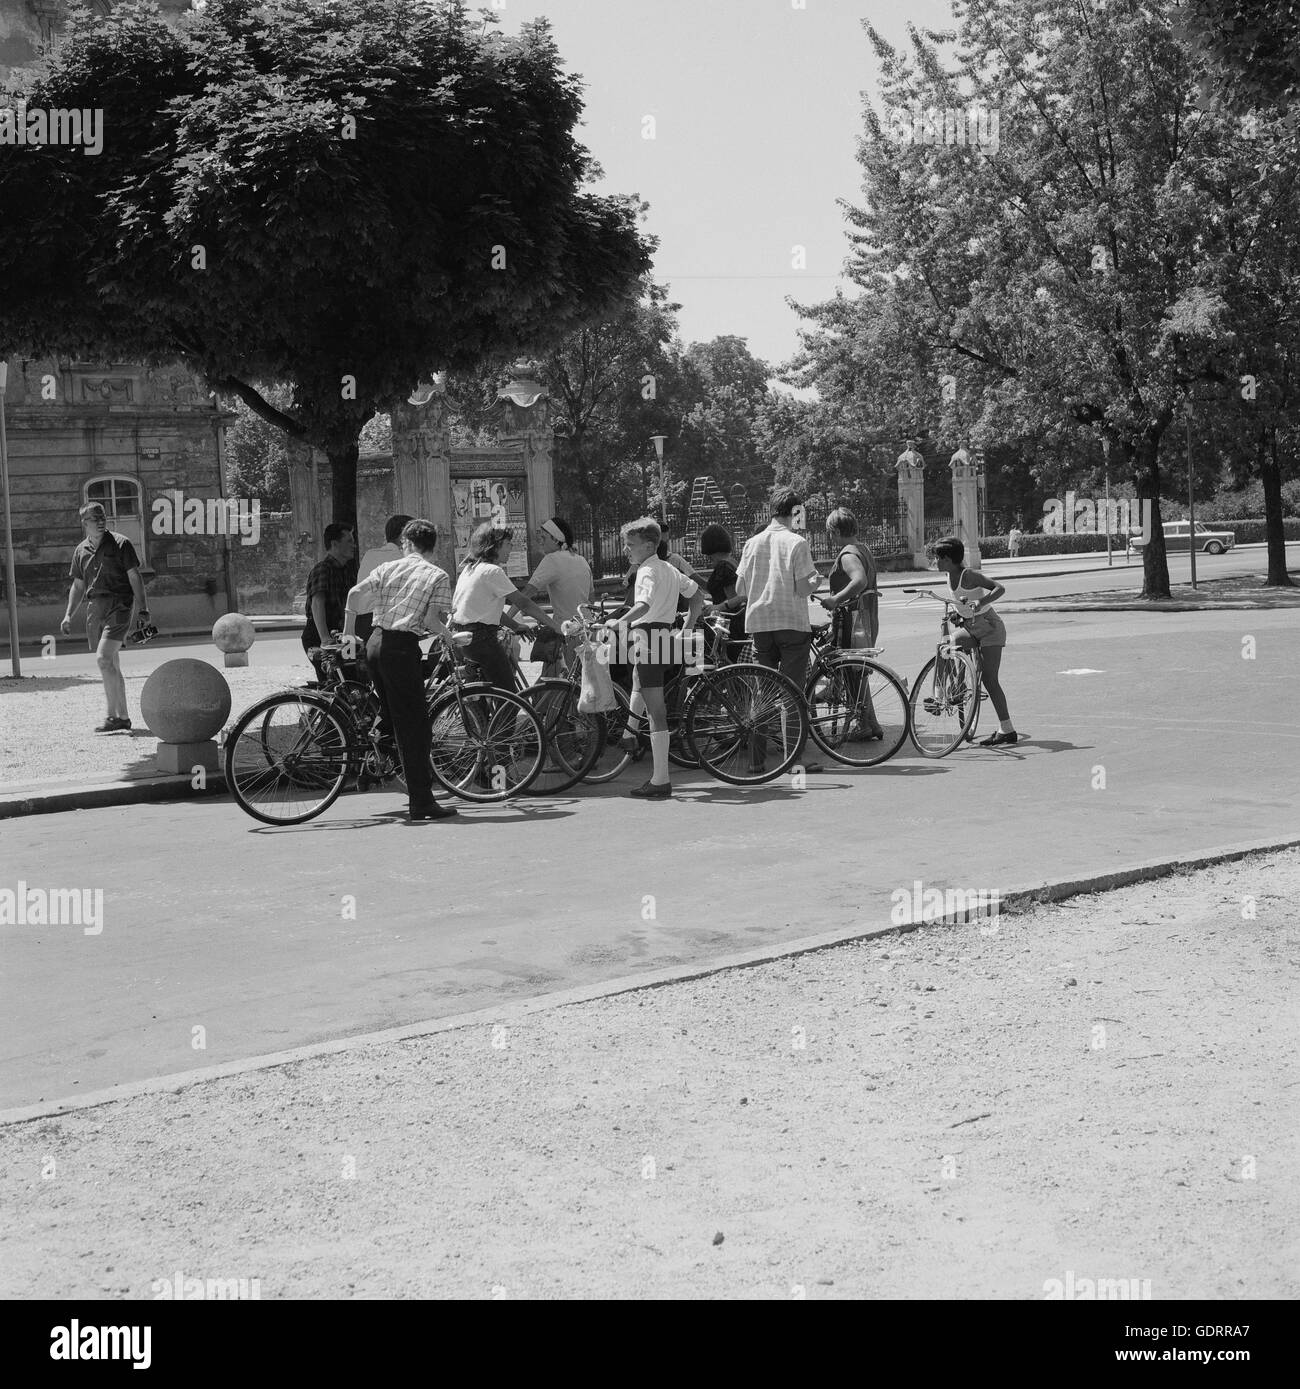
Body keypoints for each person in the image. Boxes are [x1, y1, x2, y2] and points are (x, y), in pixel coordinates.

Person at [341, 519, 459, 821]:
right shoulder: (436, 575)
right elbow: (432, 622)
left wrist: (348, 632)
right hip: (401, 648)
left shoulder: (387, 568)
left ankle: (373, 758)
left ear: (406, 544)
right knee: (414, 729)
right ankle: (421, 803)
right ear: (434, 545)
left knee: (393, 714)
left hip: (375, 644)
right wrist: (450, 637)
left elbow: (355, 594)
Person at [604, 516, 704, 799]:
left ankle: (660, 779)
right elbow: (698, 598)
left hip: (647, 637)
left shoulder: (646, 571)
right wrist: (688, 627)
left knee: (656, 712)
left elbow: (643, 604)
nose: (626, 549)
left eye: (630, 544)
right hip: (665, 637)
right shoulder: (670, 569)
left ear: (648, 545)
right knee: (638, 680)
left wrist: (618, 622)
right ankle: (629, 734)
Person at [735, 489, 823, 770]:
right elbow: (802, 586)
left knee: (763, 692)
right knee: (792, 693)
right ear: (795, 511)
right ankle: (793, 759)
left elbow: (740, 589)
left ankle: (756, 762)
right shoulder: (797, 543)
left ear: (770, 509)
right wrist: (815, 581)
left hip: (760, 624)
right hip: (791, 624)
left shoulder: (752, 543)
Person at [60, 502, 150, 732]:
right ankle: (123, 717)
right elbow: (78, 585)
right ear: (84, 523)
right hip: (95, 610)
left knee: (103, 658)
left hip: (119, 606)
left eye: (102, 517)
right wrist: (68, 615)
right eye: (94, 518)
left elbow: (134, 577)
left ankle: (111, 717)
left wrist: (143, 608)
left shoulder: (121, 544)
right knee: (112, 663)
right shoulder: (80, 550)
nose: (100, 522)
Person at [929, 535, 1018, 746]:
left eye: (938, 558)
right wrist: (957, 614)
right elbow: (961, 603)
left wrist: (981, 601)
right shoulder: (949, 575)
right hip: (971, 628)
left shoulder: (967, 575)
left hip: (990, 628)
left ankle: (1007, 729)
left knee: (989, 679)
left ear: (949, 559)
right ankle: (941, 696)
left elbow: (999, 588)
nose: (936, 562)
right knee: (945, 646)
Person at [451, 524, 564, 690]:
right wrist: (556, 627)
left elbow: (485, 610)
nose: (511, 548)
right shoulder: (492, 571)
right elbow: (524, 603)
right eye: (508, 544)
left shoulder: (470, 569)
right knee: (508, 695)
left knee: (485, 692)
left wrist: (516, 626)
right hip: (483, 639)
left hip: (465, 638)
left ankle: (481, 715)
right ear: (494, 546)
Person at [814, 507, 885, 740]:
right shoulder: (862, 548)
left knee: (850, 672)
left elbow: (859, 580)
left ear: (835, 531)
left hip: (852, 622)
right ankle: (871, 723)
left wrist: (835, 599)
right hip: (866, 618)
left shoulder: (847, 555)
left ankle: (862, 725)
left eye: (829, 532)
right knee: (858, 672)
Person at [521, 517, 594, 676]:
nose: (540, 541)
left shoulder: (551, 559)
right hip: (588, 633)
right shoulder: (582, 560)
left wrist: (507, 618)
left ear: (556, 539)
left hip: (565, 634)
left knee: (557, 690)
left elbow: (526, 594)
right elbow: (591, 598)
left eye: (544, 537)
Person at [353, 514, 414, 658]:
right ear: (403, 537)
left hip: (362, 623)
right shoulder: (403, 559)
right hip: (387, 626)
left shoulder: (370, 555)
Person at [302, 522, 357, 680]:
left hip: (341, 635)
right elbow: (317, 604)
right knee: (332, 681)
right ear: (334, 544)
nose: (354, 546)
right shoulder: (323, 569)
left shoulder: (347, 571)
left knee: (350, 680)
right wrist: (325, 639)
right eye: (349, 541)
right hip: (319, 635)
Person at [698, 523, 747, 663]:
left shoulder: (723, 566)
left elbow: (736, 597)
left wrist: (717, 607)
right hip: (734, 622)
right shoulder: (731, 562)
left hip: (727, 623)